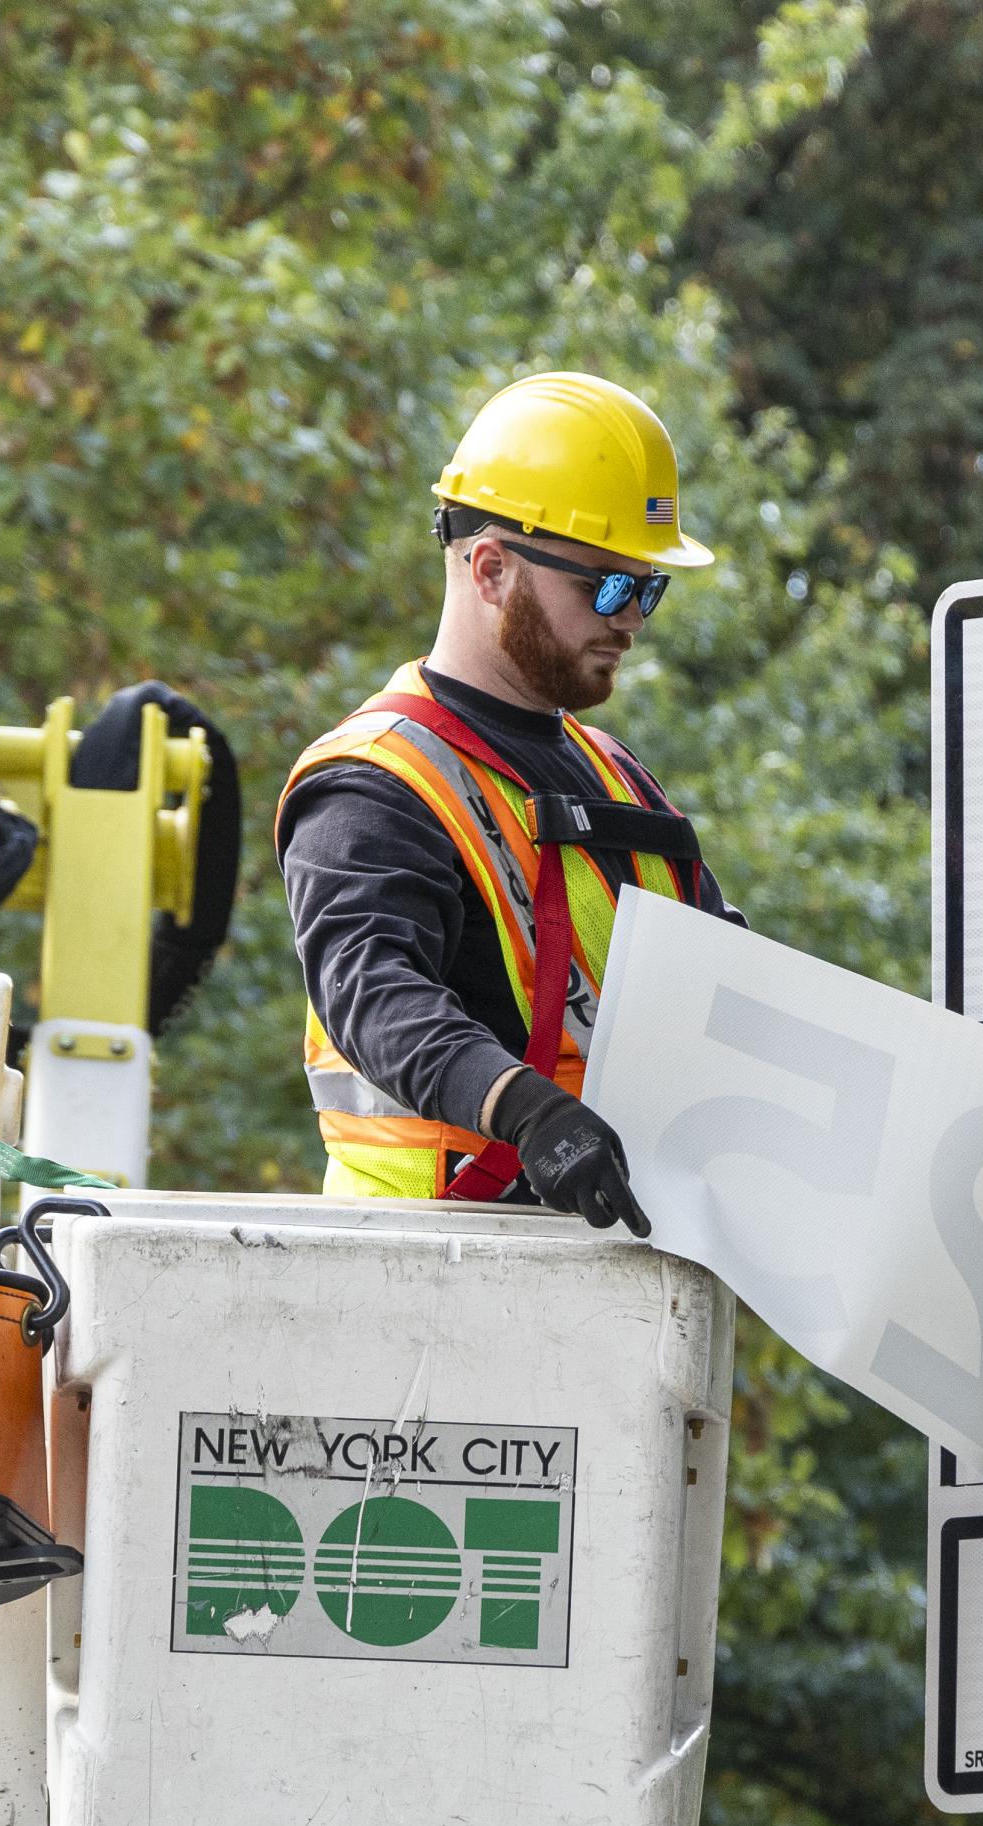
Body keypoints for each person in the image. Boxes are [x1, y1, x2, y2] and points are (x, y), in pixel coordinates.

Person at [279, 372, 738, 1231]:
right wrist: (527, 1114)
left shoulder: (618, 779)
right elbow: (372, 991)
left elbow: (736, 991)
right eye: (606, 586)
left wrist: (936, 1076)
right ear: (491, 569)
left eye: (649, 589)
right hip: (423, 1272)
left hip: (612, 1268)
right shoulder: (376, 781)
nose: (632, 619)